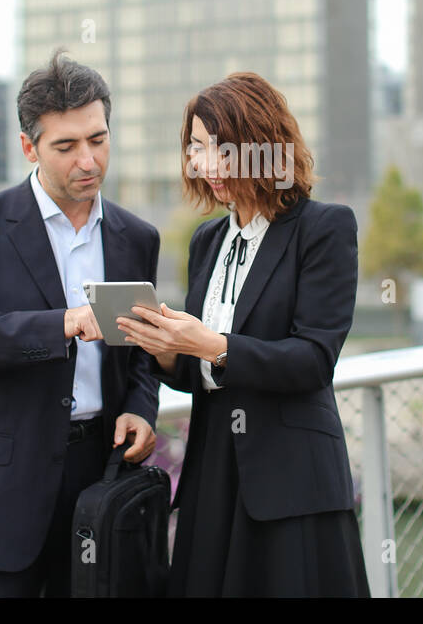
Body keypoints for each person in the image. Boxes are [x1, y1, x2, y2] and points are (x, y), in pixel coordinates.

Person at [0, 49, 161, 597]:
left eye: (98, 140)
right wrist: (62, 325)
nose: (88, 161)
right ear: (29, 148)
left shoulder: (136, 237)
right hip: (1, 497)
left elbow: (139, 349)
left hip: (103, 484)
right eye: (66, 146)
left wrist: (141, 409)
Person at [117, 72, 370, 596]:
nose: (207, 166)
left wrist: (208, 343)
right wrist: (164, 349)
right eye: (196, 149)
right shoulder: (207, 240)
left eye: (221, 150)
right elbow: (199, 374)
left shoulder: (323, 229)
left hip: (292, 479)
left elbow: (312, 360)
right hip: (213, 472)